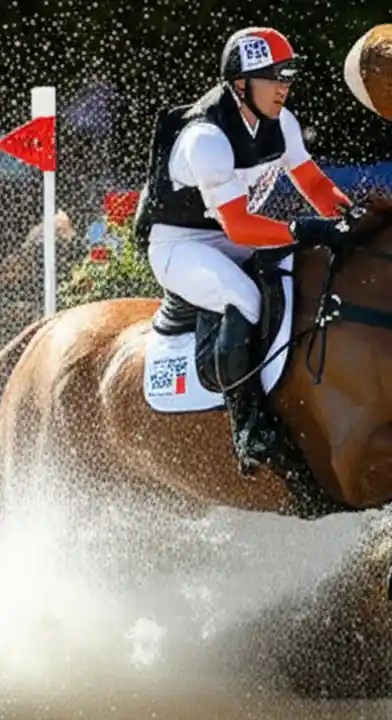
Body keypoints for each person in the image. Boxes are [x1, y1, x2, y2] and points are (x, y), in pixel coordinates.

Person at [133, 26, 356, 471]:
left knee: (304, 274)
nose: (283, 88)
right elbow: (239, 225)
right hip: (180, 246)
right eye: (273, 77)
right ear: (240, 84)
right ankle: (248, 426)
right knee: (244, 295)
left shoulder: (281, 123)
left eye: (288, 77)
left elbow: (313, 183)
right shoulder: (206, 138)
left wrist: (353, 217)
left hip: (231, 237)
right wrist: (305, 228)